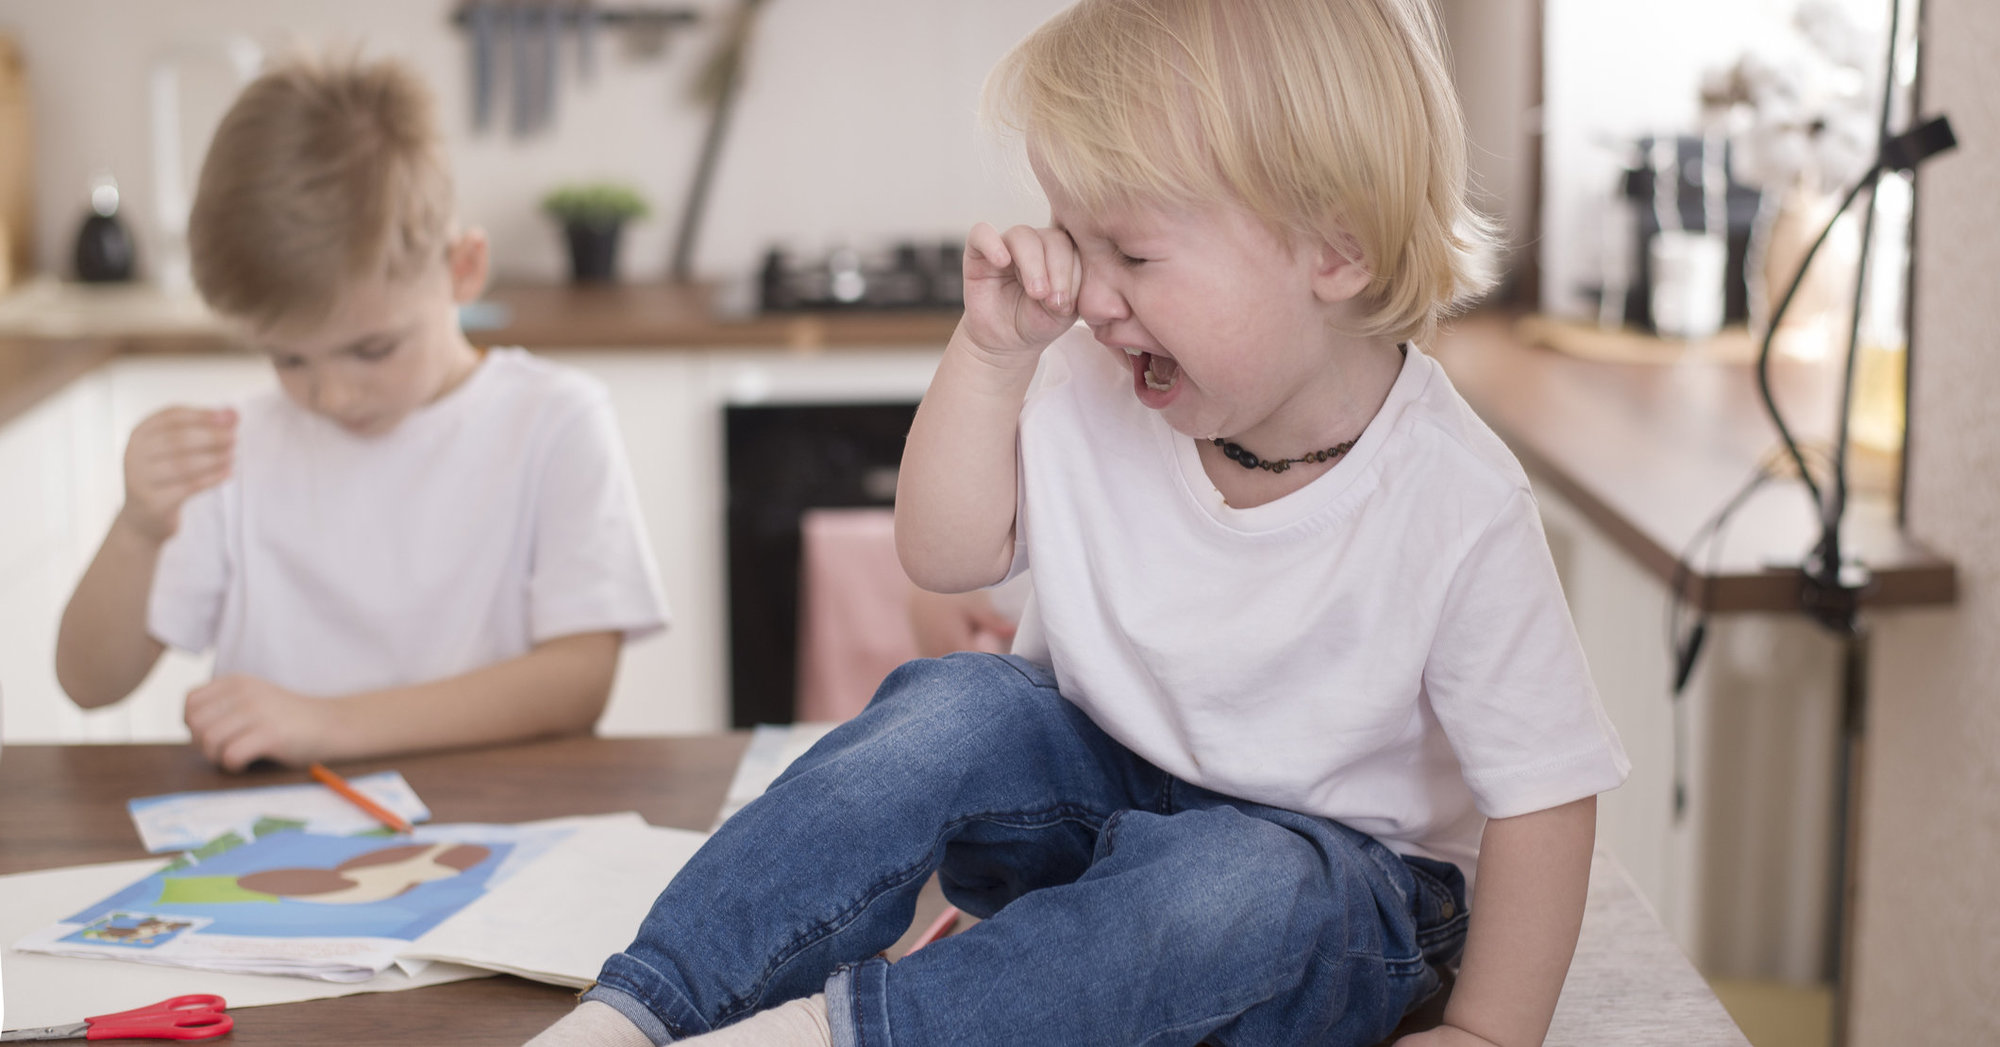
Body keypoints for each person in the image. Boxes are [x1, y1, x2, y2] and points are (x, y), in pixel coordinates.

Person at [530, 0, 1626, 1044]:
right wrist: (990, 356)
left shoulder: (1459, 504)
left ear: (1334, 252)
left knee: (1235, 878)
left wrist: (1488, 1029)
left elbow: (1546, 799)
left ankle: (832, 1033)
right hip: (1099, 817)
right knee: (952, 704)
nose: (1093, 298)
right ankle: (640, 1009)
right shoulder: (1087, 377)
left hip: (1336, 903)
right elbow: (944, 555)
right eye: (1072, 236)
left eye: (1133, 255)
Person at [54, 53, 668, 772]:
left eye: (372, 349)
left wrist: (327, 723)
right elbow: (90, 684)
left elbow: (579, 681)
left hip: (499, 813)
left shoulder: (555, 422)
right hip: (282, 827)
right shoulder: (234, 450)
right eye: (289, 359)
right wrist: (137, 531)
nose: (331, 396)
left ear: (463, 269)